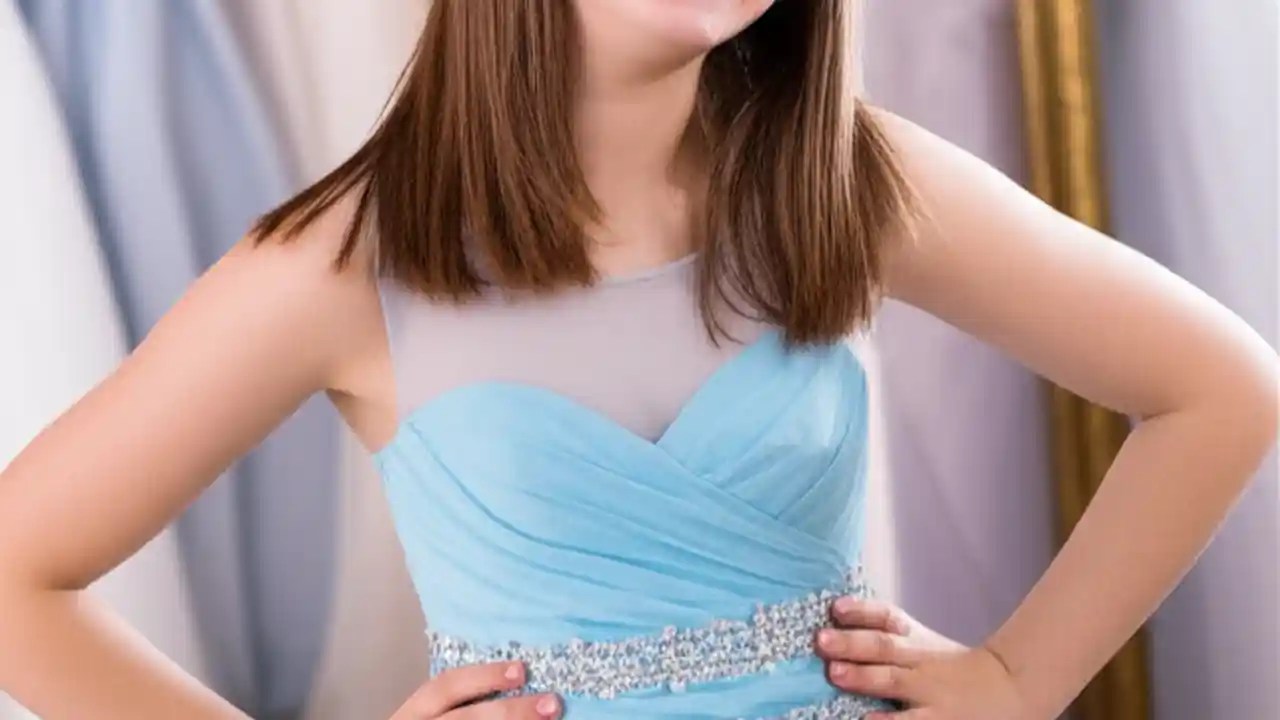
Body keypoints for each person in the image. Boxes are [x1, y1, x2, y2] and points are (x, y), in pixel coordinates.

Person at [0, 1, 1275, 718]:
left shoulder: (843, 182)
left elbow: (1220, 389)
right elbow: (17, 575)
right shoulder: (337, 267)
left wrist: (1017, 677)